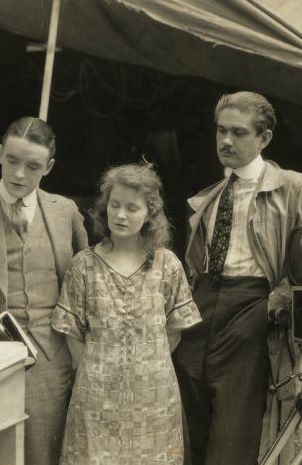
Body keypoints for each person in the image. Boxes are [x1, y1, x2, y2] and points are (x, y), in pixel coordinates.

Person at [174, 91, 302, 465]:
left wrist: (273, 304)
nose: (226, 141)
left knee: (234, 432)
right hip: (201, 307)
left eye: (239, 132)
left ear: (264, 139)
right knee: (188, 418)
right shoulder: (209, 198)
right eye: (221, 131)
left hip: (254, 307)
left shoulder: (297, 189)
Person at [0, 116, 88, 465]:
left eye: (33, 166)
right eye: (12, 161)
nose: (20, 174)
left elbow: (86, 283)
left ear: (49, 167)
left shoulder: (65, 211)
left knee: (44, 455)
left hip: (51, 361)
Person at [52, 163, 202, 465]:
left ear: (149, 214)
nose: (120, 215)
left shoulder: (167, 265)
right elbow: (72, 336)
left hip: (154, 398)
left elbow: (174, 331)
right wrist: (101, 372)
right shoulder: (84, 265)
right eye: (115, 205)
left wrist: (144, 365)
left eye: (132, 208)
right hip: (95, 398)